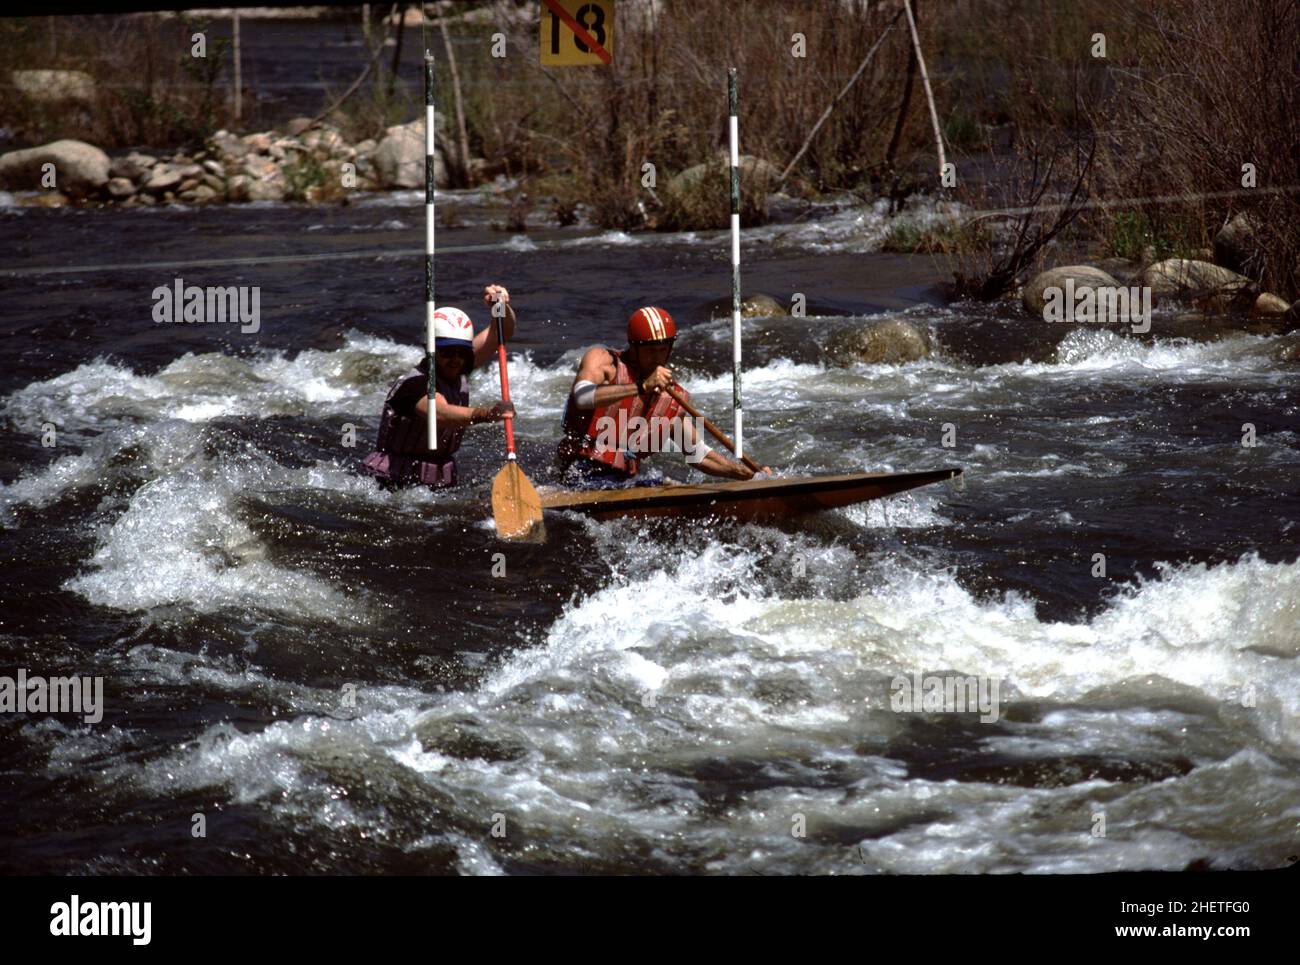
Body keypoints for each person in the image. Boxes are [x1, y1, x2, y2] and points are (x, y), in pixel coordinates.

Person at [557, 306, 767, 488]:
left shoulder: (672, 396)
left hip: (623, 481)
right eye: (650, 350)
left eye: (663, 349)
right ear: (634, 346)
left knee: (669, 485)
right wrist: (641, 386)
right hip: (580, 474)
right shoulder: (604, 361)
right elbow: (582, 397)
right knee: (660, 484)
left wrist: (746, 474)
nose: (658, 357)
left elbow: (699, 455)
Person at [361, 285, 516, 490]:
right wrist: (485, 414)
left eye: (462, 352)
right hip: (393, 482)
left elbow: (500, 332)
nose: (455, 359)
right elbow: (438, 412)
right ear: (430, 350)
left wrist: (500, 306)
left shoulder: (458, 365)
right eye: (447, 352)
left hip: (439, 479)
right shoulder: (413, 385)